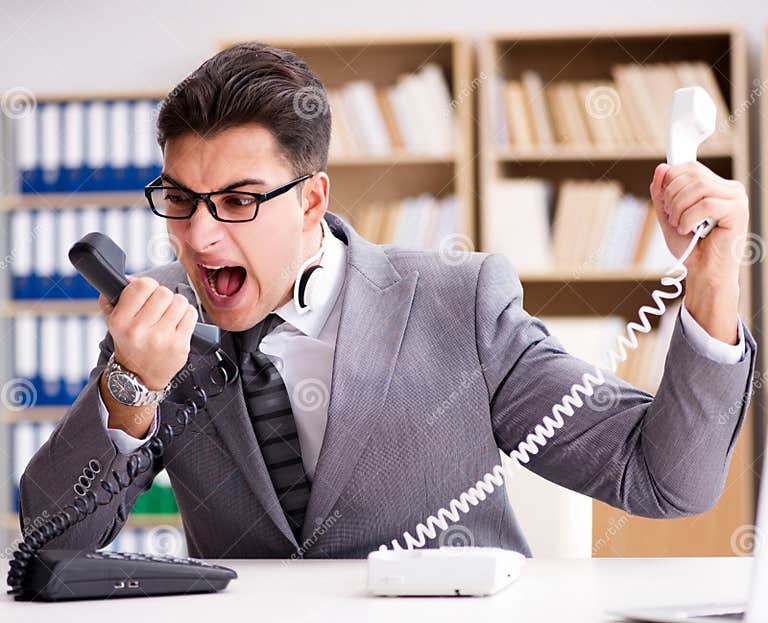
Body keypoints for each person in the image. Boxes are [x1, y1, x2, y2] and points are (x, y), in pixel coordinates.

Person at [20, 42, 756, 559]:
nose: (200, 235)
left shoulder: (459, 302)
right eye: (181, 199)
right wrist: (131, 387)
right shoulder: (154, 330)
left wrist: (713, 279)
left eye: (239, 200)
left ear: (312, 201)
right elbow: (50, 542)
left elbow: (665, 480)